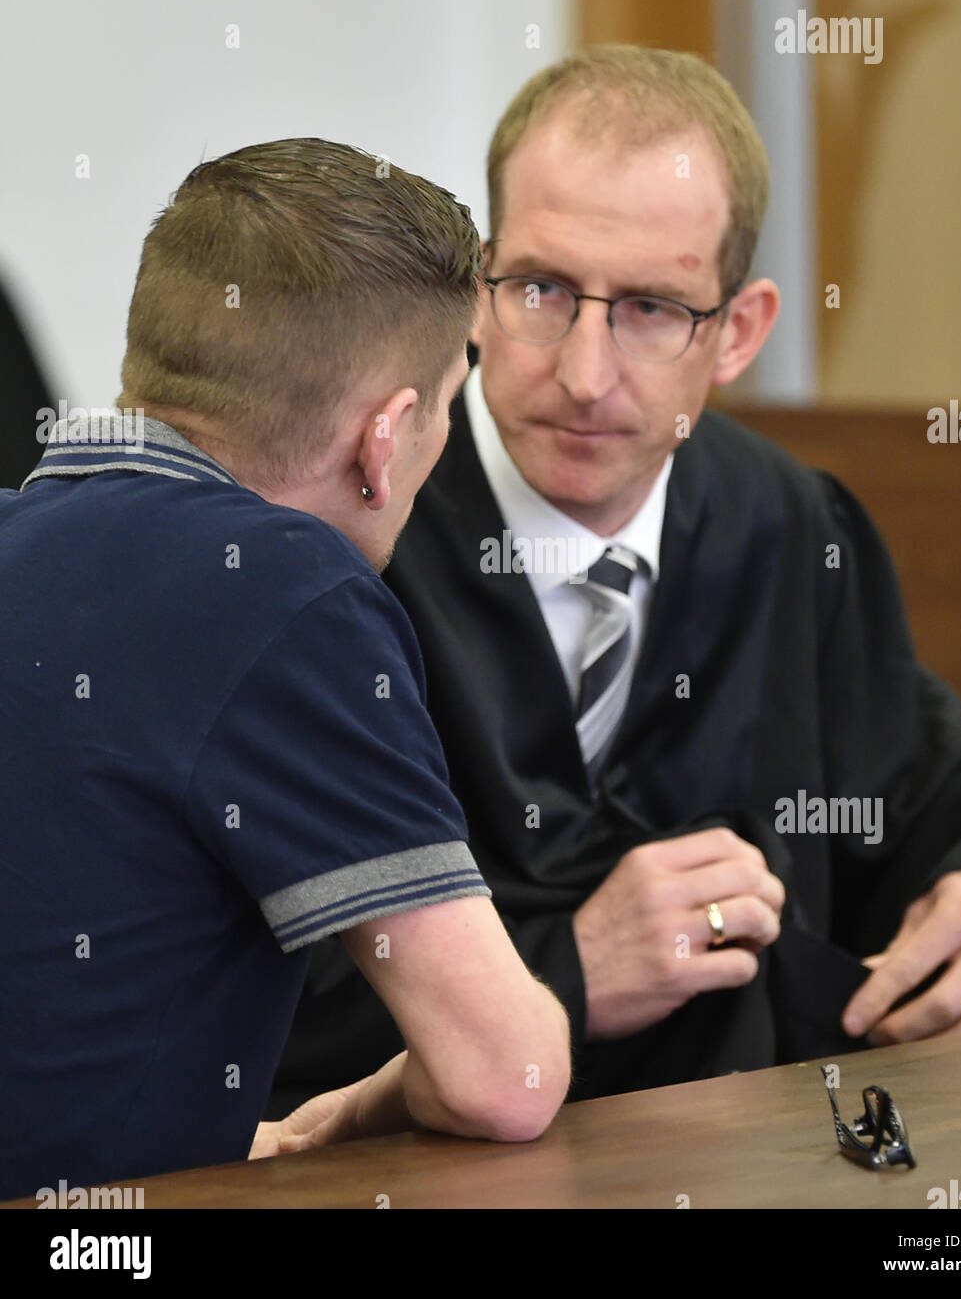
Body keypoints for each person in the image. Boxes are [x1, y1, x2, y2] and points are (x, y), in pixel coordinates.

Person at [268, 47, 961, 1117]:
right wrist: (572, 969)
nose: (585, 373)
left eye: (651, 308)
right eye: (543, 291)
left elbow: (928, 799)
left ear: (738, 331)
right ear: (476, 287)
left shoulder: (788, 526)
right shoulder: (344, 531)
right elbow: (259, 978)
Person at [0, 138, 570, 1202]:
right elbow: (507, 1076)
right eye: (453, 400)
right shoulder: (288, 591)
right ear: (387, 436)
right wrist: (336, 1118)